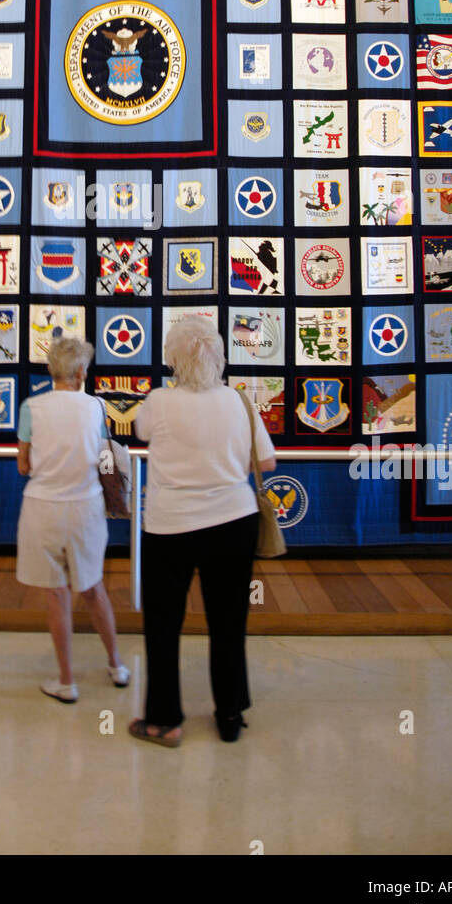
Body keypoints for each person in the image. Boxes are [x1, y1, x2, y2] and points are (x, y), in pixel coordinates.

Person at [130, 315, 276, 747]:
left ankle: (164, 720)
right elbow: (266, 463)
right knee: (229, 621)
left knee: (162, 624)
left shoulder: (158, 401)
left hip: (170, 527)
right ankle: (229, 716)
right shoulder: (239, 401)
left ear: (173, 360)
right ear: (220, 357)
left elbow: (140, 433)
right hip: (234, 522)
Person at [16, 336, 129, 703]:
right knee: (94, 590)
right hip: (86, 509)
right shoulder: (97, 407)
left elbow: (23, 465)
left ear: (51, 370)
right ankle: (116, 666)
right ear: (82, 372)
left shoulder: (31, 407)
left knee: (56, 595)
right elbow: (105, 459)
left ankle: (67, 682)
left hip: (42, 509)